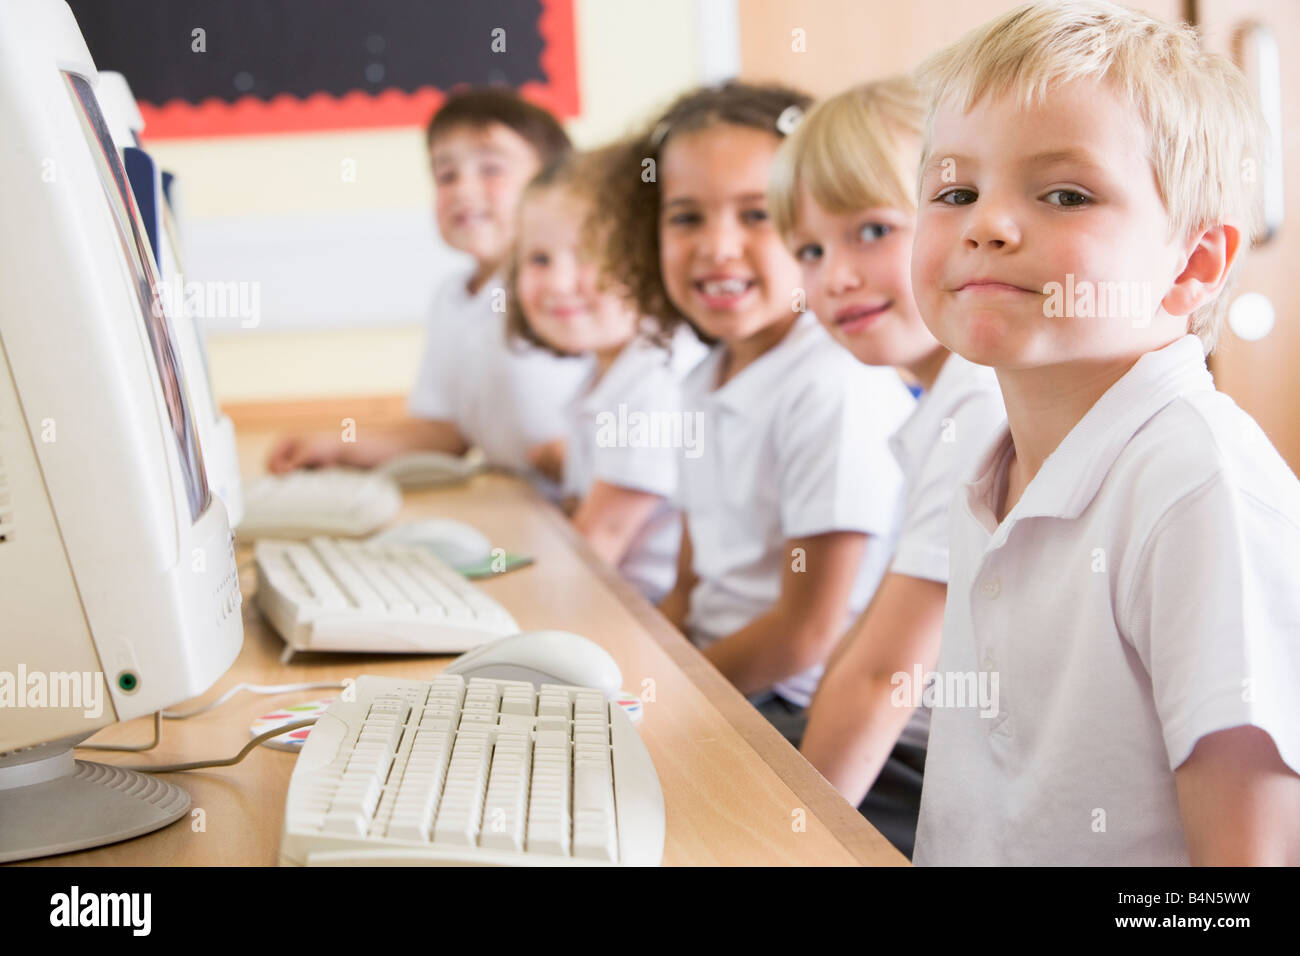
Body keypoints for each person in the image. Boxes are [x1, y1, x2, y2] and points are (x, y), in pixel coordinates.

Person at [910, 0, 1300, 865]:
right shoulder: (984, 461)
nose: (987, 225)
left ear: (1193, 265)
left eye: (1065, 194)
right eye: (955, 191)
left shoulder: (1198, 491)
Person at [594, 82, 915, 743]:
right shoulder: (700, 378)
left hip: (800, 711)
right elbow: (689, 586)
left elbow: (806, 634)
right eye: (686, 217)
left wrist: (664, 709)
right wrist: (637, 689)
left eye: (755, 214)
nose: (717, 247)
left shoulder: (832, 381)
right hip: (722, 681)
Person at [767, 76, 1006, 858]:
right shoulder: (940, 397)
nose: (834, 276)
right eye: (809, 250)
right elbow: (866, 646)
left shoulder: (978, 403)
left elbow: (884, 679)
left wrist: (780, 844)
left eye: (871, 230)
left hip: (948, 770)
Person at [266, 88, 590, 498]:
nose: (463, 189)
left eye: (491, 169)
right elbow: (445, 433)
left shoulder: (567, 291)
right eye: (445, 174)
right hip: (524, 509)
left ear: (554, 182)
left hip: (593, 518)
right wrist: (338, 444)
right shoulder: (451, 298)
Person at [506, 152, 705, 601]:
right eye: (538, 259)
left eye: (589, 255)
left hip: (649, 624)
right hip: (612, 607)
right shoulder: (607, 373)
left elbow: (600, 539)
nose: (558, 282)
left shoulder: (655, 379)